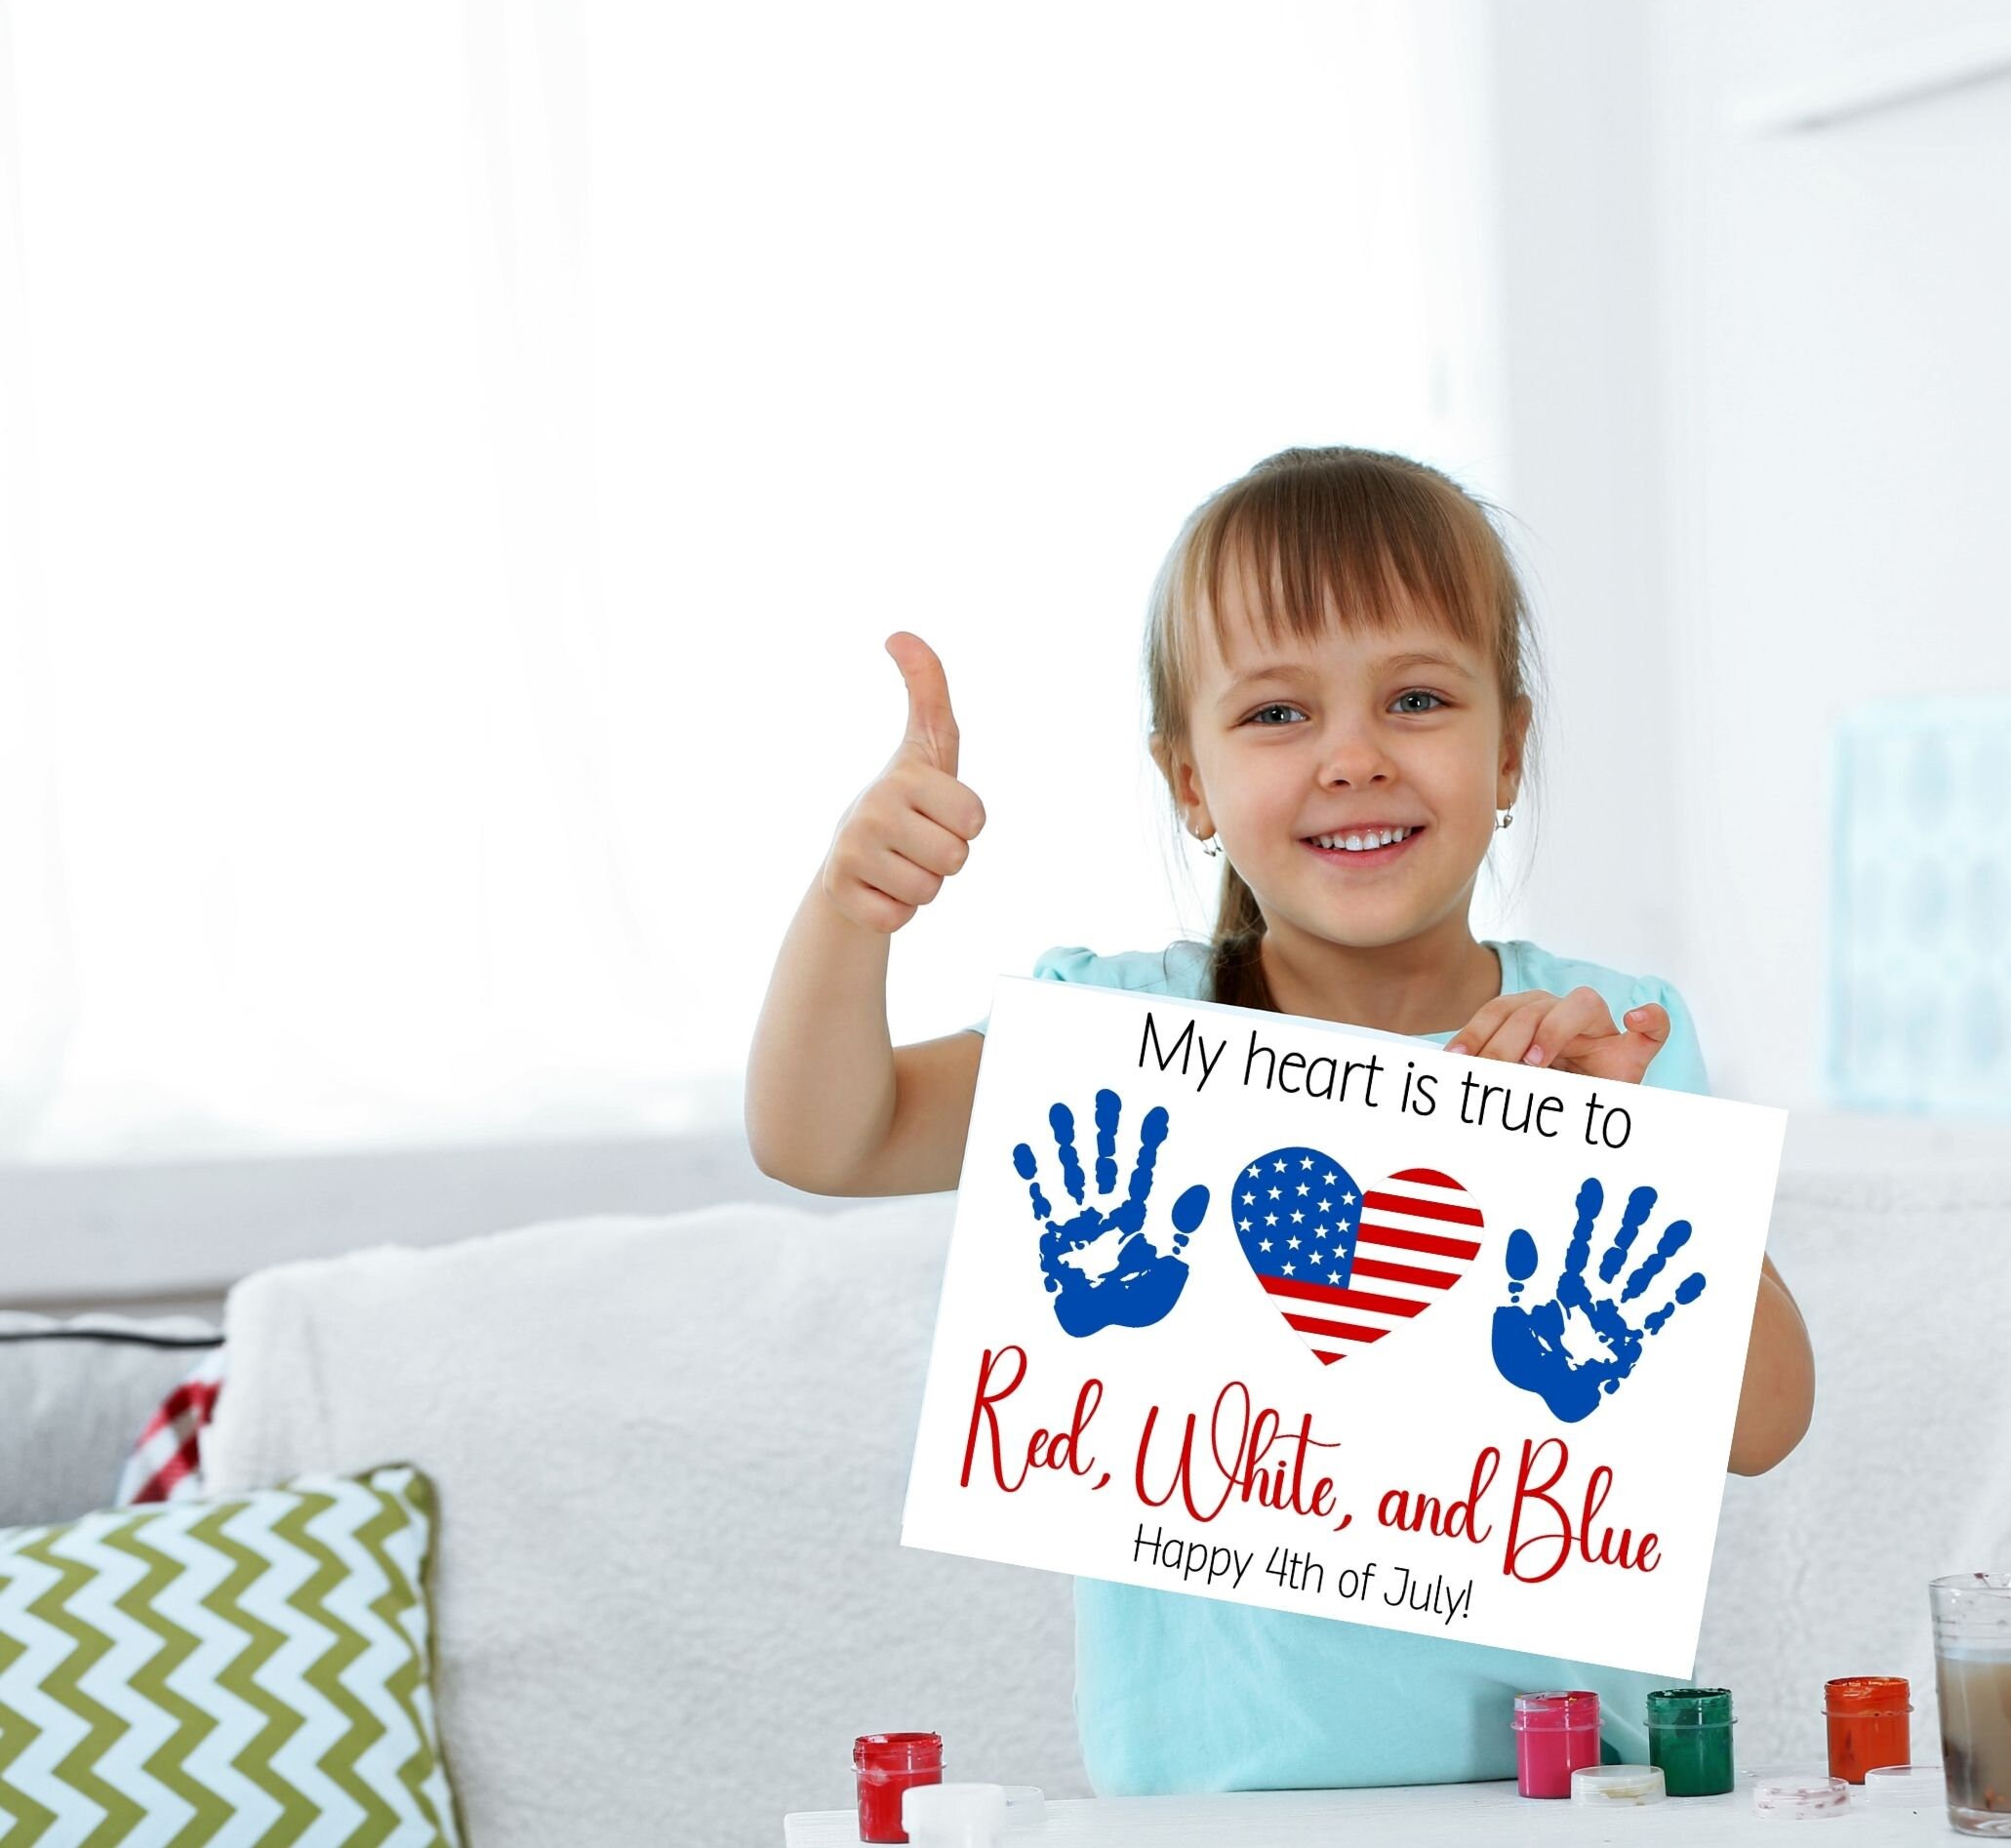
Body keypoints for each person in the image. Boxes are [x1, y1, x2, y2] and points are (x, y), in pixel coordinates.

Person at [745, 444, 1815, 1793]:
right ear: (1188, 780)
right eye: (1275, 716)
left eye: (1416, 698)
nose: (1354, 758)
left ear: (1509, 752)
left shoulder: (1604, 1034)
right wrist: (853, 910)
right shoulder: (1119, 1042)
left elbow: (1764, 1422)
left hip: (1562, 1797)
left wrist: (1617, 1161)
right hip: (1211, 1811)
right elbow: (822, 1137)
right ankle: (1129, 1283)